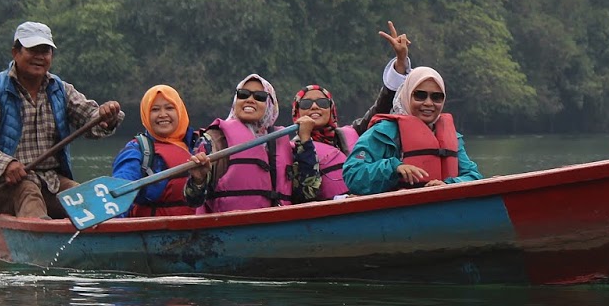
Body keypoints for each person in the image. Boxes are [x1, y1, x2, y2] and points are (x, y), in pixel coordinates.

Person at [0, 20, 123, 218]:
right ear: (15, 53)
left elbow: (91, 119)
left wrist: (106, 116)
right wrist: (6, 164)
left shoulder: (59, 90)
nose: (39, 57)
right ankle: (40, 240)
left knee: (87, 201)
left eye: (45, 51)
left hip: (51, 180)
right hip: (3, 185)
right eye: (32, 50)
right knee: (28, 193)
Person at [342, 65, 482, 195]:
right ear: (407, 95)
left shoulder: (454, 138)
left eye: (436, 97)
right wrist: (394, 167)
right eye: (420, 95)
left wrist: (448, 184)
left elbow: (473, 176)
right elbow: (353, 174)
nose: (428, 103)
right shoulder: (383, 133)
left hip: (442, 205)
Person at [184, 73, 312, 212]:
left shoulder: (283, 142)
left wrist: (306, 142)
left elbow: (308, 193)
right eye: (243, 94)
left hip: (277, 227)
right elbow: (193, 200)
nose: (250, 100)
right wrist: (198, 180)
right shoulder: (214, 140)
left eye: (259, 97)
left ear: (270, 104)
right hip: (228, 228)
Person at [109, 84, 208, 217]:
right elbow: (119, 194)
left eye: (169, 108)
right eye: (155, 109)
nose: (163, 115)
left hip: (196, 230)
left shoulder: (198, 145)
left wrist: (199, 181)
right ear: (146, 115)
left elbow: (205, 199)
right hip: (150, 232)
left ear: (180, 111)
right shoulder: (136, 151)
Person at [287, 84, 355, 202]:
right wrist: (305, 140)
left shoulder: (346, 135)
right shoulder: (291, 149)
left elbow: (379, 109)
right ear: (297, 111)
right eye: (306, 104)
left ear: (331, 108)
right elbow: (305, 195)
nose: (314, 106)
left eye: (322, 103)